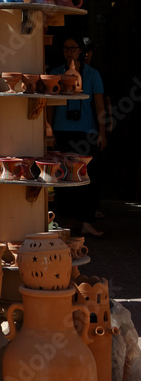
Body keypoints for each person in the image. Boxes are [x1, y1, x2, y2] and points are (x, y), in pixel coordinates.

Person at [50, 36, 107, 237]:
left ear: (81, 51)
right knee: (63, 177)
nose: (70, 52)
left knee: (87, 177)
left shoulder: (92, 74)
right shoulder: (55, 73)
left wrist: (102, 132)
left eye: (74, 48)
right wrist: (47, 130)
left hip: (87, 131)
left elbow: (99, 105)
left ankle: (86, 221)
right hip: (61, 130)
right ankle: (68, 220)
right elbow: (49, 105)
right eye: (66, 48)